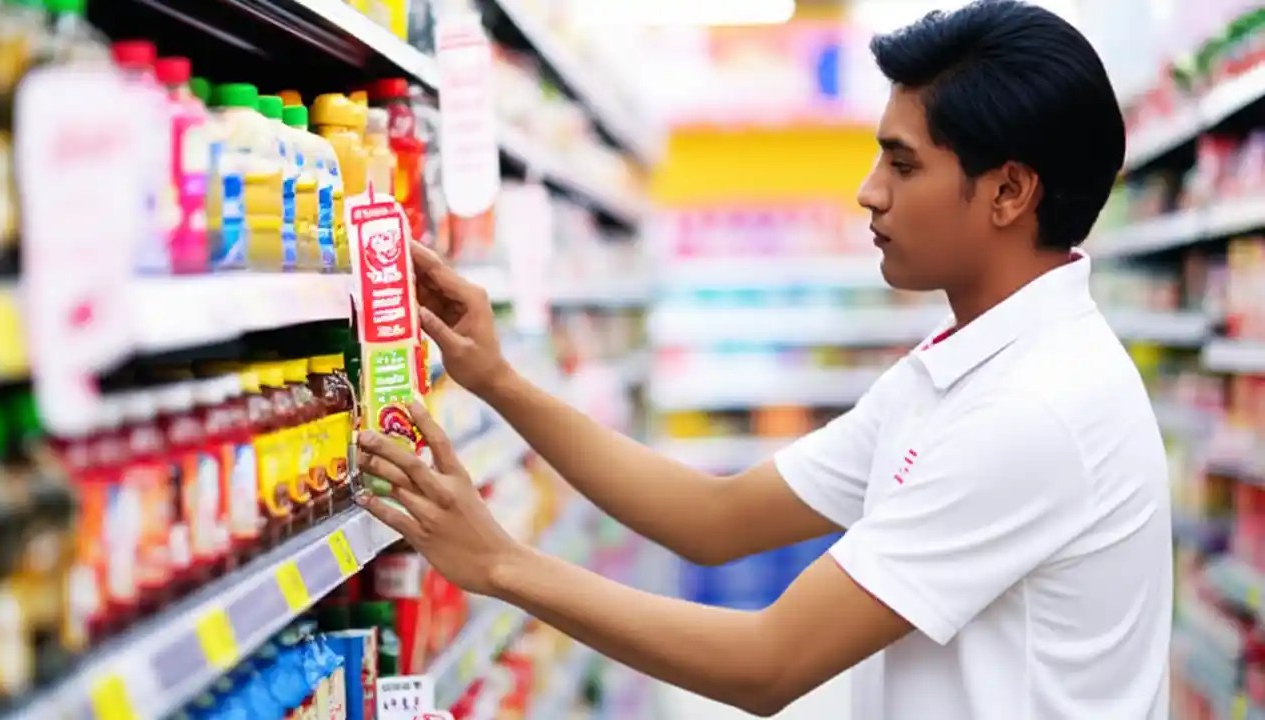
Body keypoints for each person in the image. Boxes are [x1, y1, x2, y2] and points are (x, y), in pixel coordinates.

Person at [355, 1, 1172, 718]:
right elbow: (715, 522)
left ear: (1007, 192)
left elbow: (767, 665)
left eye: (903, 162)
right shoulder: (955, 368)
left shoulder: (1035, 409)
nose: (868, 191)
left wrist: (501, 564)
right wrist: (497, 380)